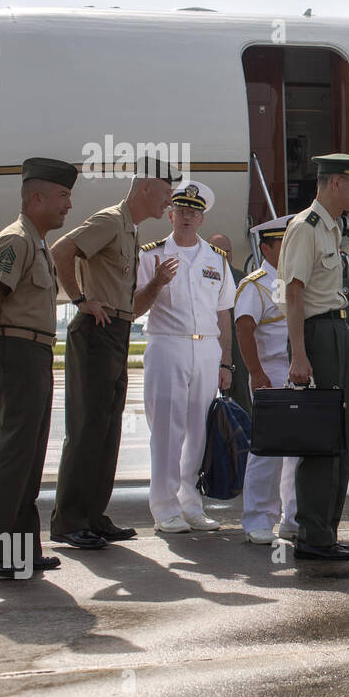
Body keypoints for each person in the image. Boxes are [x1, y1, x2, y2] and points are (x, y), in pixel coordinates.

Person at [0, 158, 78, 577]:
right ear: (36, 197)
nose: (69, 204)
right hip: (14, 353)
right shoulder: (15, 241)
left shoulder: (37, 242)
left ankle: (21, 549)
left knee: (28, 456)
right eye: (63, 196)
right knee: (15, 454)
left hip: (32, 353)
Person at [50, 156, 174, 549]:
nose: (168, 202)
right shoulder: (109, 220)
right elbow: (61, 251)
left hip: (117, 330)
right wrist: (81, 299)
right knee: (87, 428)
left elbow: (132, 305)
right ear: (144, 189)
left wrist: (154, 285)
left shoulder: (130, 230)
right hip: (96, 332)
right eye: (165, 193)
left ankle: (92, 515)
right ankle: (69, 521)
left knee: (107, 430)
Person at [278, 153, 349, 561]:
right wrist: (299, 355)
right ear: (335, 183)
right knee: (320, 437)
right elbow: (293, 294)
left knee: (338, 434)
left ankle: (326, 531)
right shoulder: (306, 227)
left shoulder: (331, 229)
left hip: (336, 330)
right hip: (316, 335)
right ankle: (313, 536)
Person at [134, 180, 235, 533]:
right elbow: (133, 307)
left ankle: (191, 505)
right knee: (166, 429)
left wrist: (226, 362)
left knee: (198, 429)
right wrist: (157, 283)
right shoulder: (151, 255)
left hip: (207, 348)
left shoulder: (216, 260)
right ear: (170, 213)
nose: (187, 216)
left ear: (202, 218)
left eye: (195, 211)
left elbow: (224, 313)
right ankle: (164, 508)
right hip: (167, 344)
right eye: (182, 210)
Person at [235, 215, 299, 544]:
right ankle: (258, 519)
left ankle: (292, 518)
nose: (288, 249)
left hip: (298, 371)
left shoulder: (297, 279)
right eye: (282, 244)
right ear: (266, 247)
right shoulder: (256, 284)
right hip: (270, 371)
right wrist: (255, 371)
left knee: (298, 449)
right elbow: (244, 328)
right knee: (268, 450)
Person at [210, 232, 252, 417]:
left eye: (227, 251)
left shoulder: (243, 281)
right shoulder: (203, 277)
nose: (224, 256)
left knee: (240, 400)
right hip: (207, 346)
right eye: (219, 252)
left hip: (236, 349)